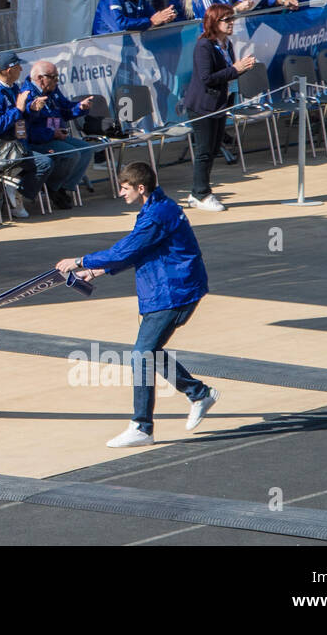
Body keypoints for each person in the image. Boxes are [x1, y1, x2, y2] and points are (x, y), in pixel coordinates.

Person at [56, 161, 217, 448]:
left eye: (124, 187)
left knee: (142, 354)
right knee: (150, 352)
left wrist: (81, 261)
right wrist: (99, 270)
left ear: (140, 188)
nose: (120, 193)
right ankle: (198, 393)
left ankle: (142, 426)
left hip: (173, 292)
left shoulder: (155, 215)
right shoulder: (158, 207)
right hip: (167, 289)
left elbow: (127, 249)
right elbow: (140, 249)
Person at [181, 4, 257, 212]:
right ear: (215, 22)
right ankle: (201, 193)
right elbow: (207, 78)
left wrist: (240, 69)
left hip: (220, 104)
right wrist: (235, 69)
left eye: (232, 19)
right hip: (203, 105)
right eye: (227, 20)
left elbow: (227, 74)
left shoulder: (227, 44)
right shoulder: (204, 46)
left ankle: (199, 191)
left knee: (214, 148)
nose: (231, 23)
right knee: (204, 150)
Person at [0, 50, 42, 218]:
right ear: (8, 70)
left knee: (53, 158)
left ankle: (15, 187)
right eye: (18, 66)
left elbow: (21, 116)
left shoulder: (13, 88)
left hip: (16, 143)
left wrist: (31, 109)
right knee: (43, 163)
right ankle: (14, 190)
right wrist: (18, 109)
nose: (21, 69)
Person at [23, 60, 94, 210]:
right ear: (41, 78)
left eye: (57, 77)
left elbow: (65, 109)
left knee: (86, 149)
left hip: (54, 136)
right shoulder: (27, 96)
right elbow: (27, 131)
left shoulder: (52, 90)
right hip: (39, 141)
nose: (57, 80)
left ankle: (63, 187)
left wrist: (80, 107)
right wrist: (51, 133)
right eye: (54, 77)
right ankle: (52, 188)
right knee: (72, 154)